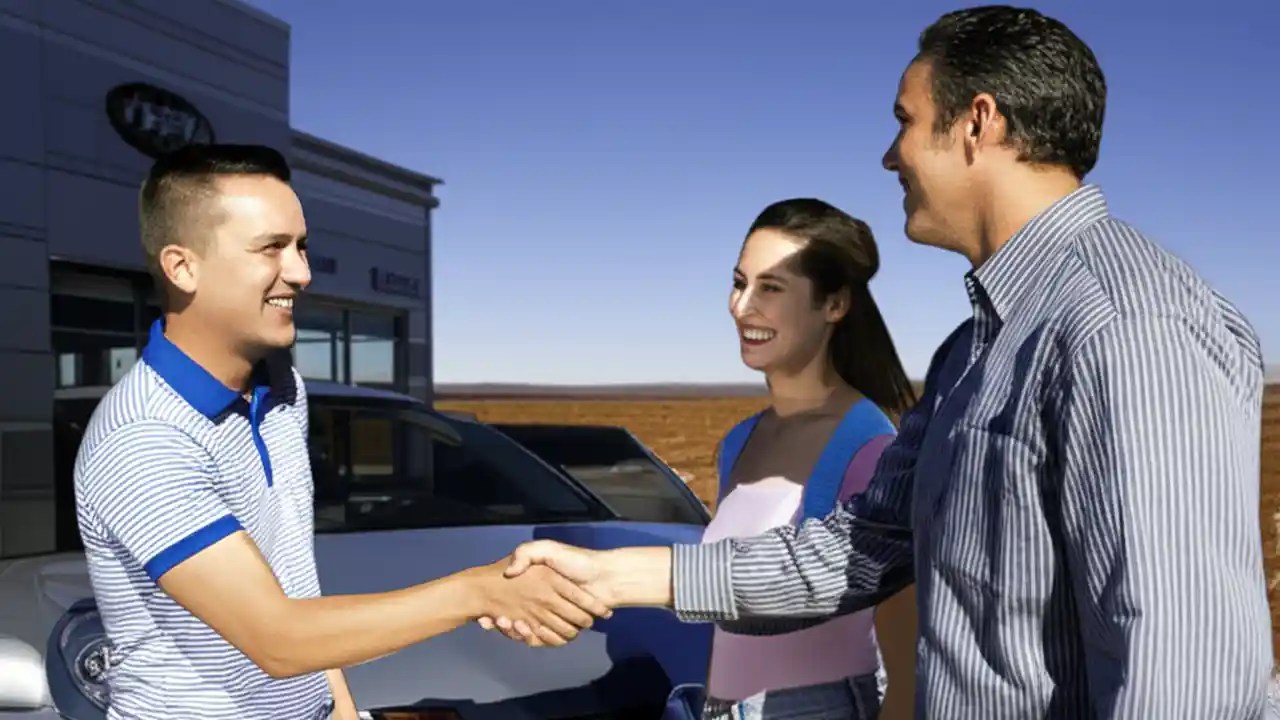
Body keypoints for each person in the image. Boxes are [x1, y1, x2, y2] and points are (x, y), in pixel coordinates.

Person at [484, 6, 1274, 718]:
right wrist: (617, 578)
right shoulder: (975, 347)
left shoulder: (1128, 326)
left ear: (978, 123)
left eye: (904, 120)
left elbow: (1181, 666)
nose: (889, 155)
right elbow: (860, 547)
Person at [72, 144, 609, 720]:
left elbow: (295, 586)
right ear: (183, 267)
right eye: (271, 248)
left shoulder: (280, 388)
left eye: (301, 246)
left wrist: (341, 706)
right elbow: (278, 638)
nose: (300, 273)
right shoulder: (142, 439)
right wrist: (479, 590)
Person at [697, 198, 919, 719]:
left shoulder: (869, 443)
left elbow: (900, 636)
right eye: (739, 282)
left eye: (770, 288)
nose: (741, 306)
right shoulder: (739, 440)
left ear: (835, 305)